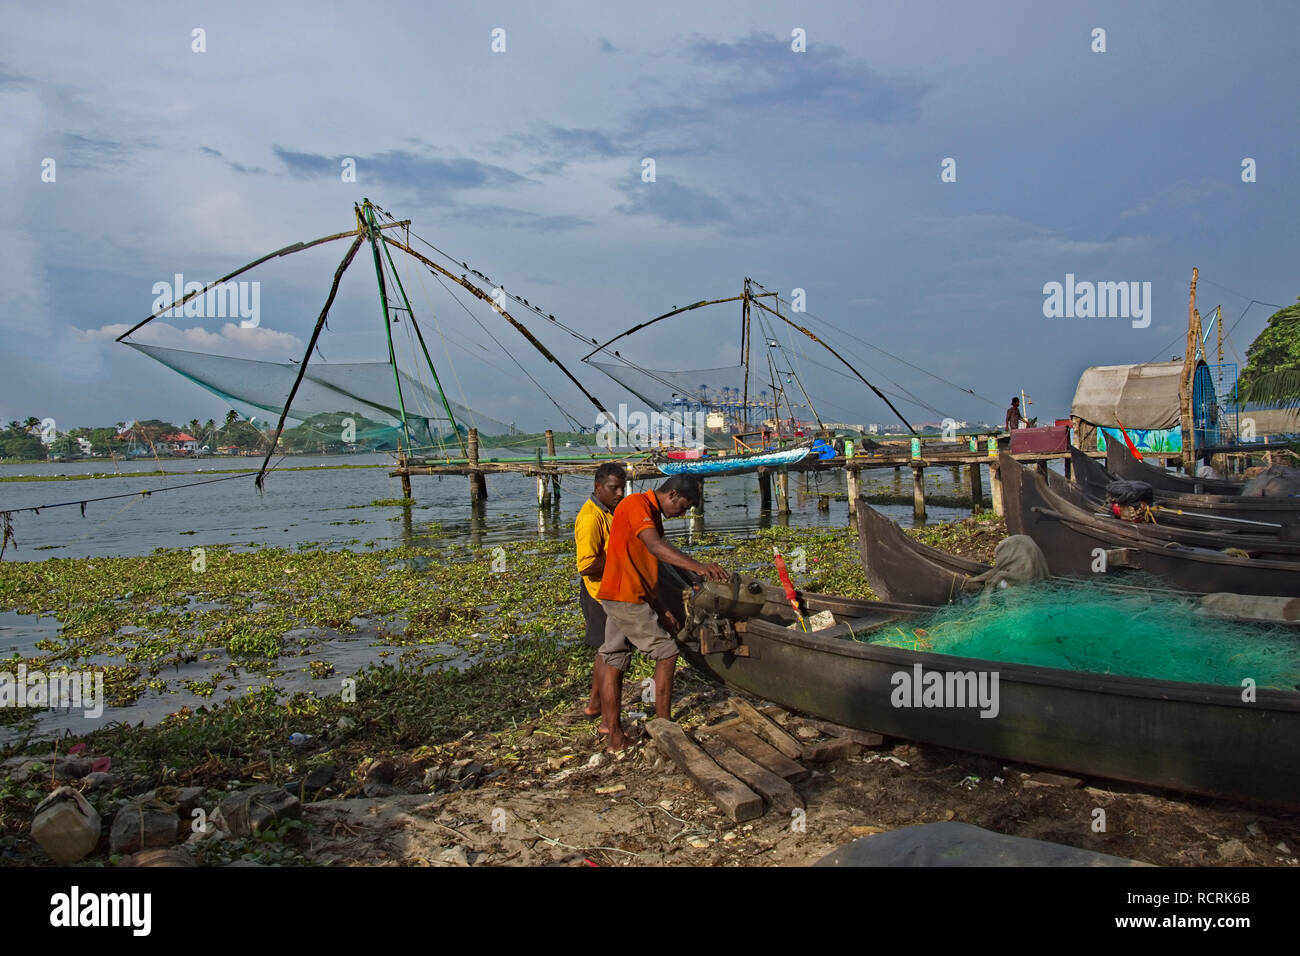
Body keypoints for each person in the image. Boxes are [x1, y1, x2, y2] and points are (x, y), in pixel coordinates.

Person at [596, 474, 728, 752]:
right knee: (667, 653)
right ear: (673, 495)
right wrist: (699, 567)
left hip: (622, 593)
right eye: (684, 507)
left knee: (613, 659)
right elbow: (655, 546)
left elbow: (647, 565)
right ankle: (665, 727)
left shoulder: (651, 514)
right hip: (625, 597)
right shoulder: (636, 504)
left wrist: (661, 608)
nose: (682, 512)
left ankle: (613, 733)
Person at [574, 462, 626, 731]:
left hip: (608, 589)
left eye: (622, 488)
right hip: (597, 593)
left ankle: (594, 705)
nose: (619, 493)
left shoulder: (608, 511)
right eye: (613, 488)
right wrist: (622, 557)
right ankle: (608, 722)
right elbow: (586, 565)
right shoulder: (590, 518)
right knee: (611, 655)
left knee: (603, 652)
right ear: (598, 488)